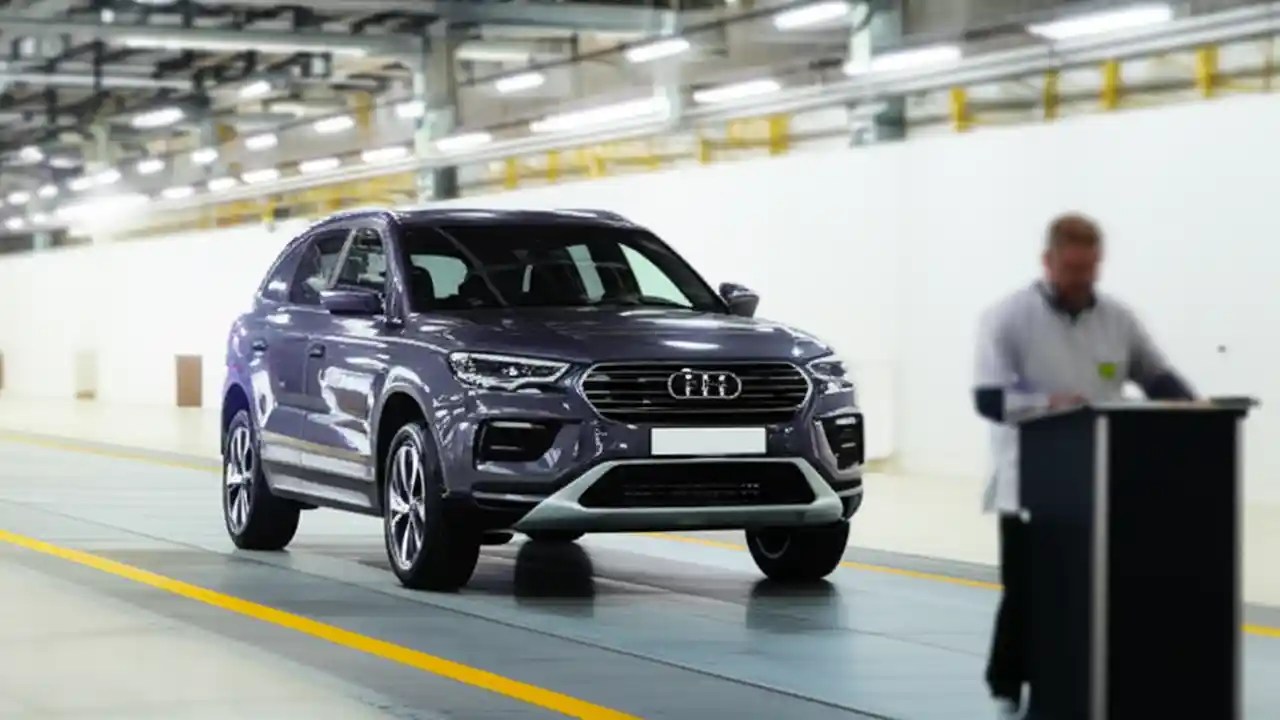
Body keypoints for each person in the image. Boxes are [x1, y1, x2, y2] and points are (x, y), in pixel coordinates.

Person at [972, 213, 1195, 719]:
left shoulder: (1116, 319)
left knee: (1096, 588)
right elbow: (989, 397)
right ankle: (1008, 680)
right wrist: (1051, 403)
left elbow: (1155, 375)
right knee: (1028, 589)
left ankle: (1088, 673)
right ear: (1048, 262)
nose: (1081, 280)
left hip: (1099, 477)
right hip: (1030, 480)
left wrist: (1197, 411)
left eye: (1090, 269)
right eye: (1072, 269)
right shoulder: (1007, 318)